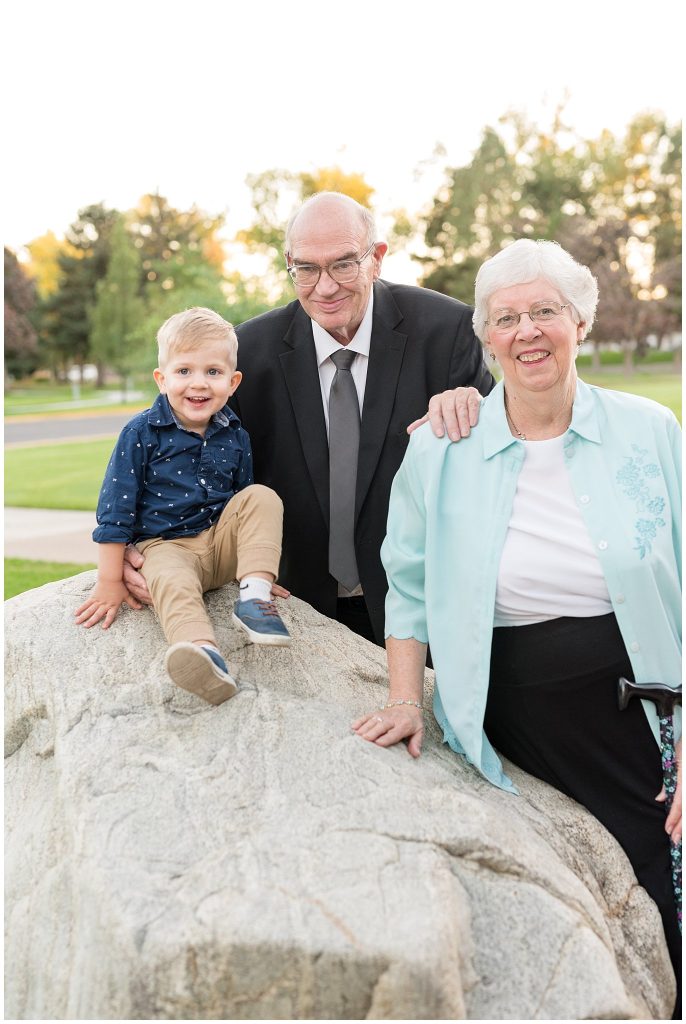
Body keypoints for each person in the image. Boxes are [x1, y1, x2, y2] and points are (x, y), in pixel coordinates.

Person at [352, 239, 682, 1012]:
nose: (527, 331)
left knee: (667, 899)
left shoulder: (650, 429)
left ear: (581, 322)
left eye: (545, 311)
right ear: (486, 337)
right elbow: (408, 585)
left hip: (648, 714)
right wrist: (404, 699)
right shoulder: (440, 446)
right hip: (509, 721)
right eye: (506, 318)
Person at [122, 192, 494, 645]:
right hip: (292, 608)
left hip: (424, 603)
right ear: (289, 265)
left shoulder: (446, 331)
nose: (325, 287)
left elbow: (498, 456)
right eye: (307, 268)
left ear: (377, 258)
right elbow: (171, 448)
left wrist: (475, 406)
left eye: (343, 264)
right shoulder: (246, 353)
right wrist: (136, 545)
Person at [75, 307, 290, 705]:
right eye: (184, 371)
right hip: (165, 548)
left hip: (219, 546)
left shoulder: (236, 434)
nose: (199, 383)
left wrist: (255, 568)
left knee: (262, 496)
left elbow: (243, 505)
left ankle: (254, 598)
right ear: (162, 379)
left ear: (233, 382)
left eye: (213, 371)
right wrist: (109, 579)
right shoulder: (141, 432)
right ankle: (203, 654)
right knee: (173, 582)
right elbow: (115, 510)